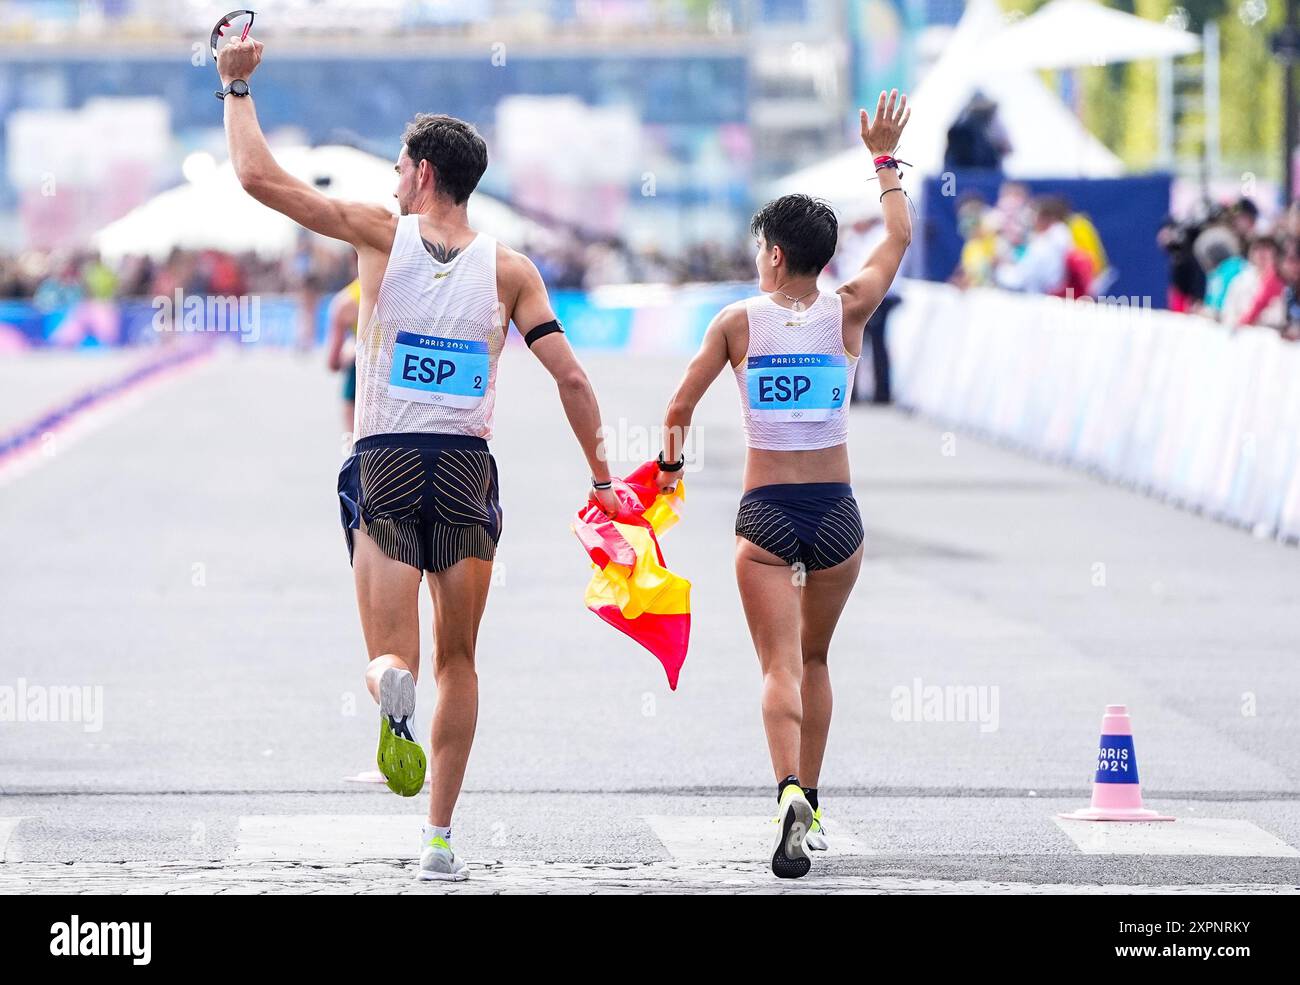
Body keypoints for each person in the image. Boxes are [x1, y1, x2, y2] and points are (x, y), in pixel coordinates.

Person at [217, 36, 623, 881]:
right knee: (462, 659)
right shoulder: (511, 270)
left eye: (400, 169)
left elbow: (259, 180)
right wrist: (601, 479)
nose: (394, 182)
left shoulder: (379, 234)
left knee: (391, 653)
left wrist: (236, 85)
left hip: (388, 460)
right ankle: (439, 838)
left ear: (424, 174)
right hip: (468, 468)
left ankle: (386, 683)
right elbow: (573, 377)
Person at [652, 90, 912, 879]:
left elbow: (678, 406)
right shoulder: (849, 309)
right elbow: (898, 235)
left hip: (764, 516)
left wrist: (666, 473)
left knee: (776, 667)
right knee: (817, 658)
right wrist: (883, 159)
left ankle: (787, 787)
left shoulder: (737, 322)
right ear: (826, 256)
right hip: (837, 514)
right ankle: (818, 802)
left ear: (771, 254)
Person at [325, 278, 361, 434]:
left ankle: (352, 448)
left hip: (362, 376)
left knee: (359, 354)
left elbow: (333, 363)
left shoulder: (345, 302)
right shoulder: (409, 287)